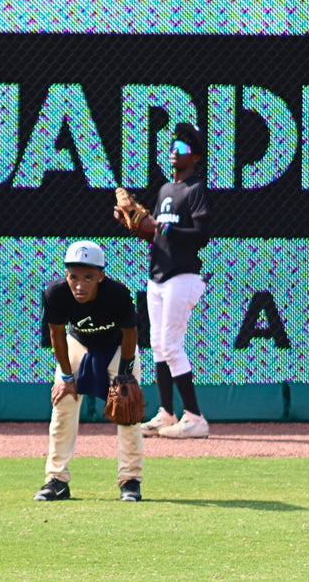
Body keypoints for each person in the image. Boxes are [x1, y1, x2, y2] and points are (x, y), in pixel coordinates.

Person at [114, 122, 212, 439]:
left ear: (195, 157)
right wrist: (135, 225)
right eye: (172, 146)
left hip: (182, 275)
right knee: (157, 345)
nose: (174, 151)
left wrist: (159, 227)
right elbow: (156, 236)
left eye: (182, 148)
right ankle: (167, 414)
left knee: (171, 345)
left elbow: (201, 235)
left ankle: (195, 417)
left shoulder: (195, 190)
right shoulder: (165, 191)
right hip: (158, 275)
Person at [35, 240, 144, 502]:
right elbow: (56, 334)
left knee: (128, 413)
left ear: (101, 276)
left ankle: (130, 480)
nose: (80, 284)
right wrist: (65, 377)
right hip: (79, 344)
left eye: (88, 277)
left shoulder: (117, 294)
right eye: (74, 276)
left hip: (118, 347)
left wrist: (125, 376)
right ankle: (56, 480)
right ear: (66, 275)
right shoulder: (56, 293)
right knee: (63, 404)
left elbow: (130, 334)